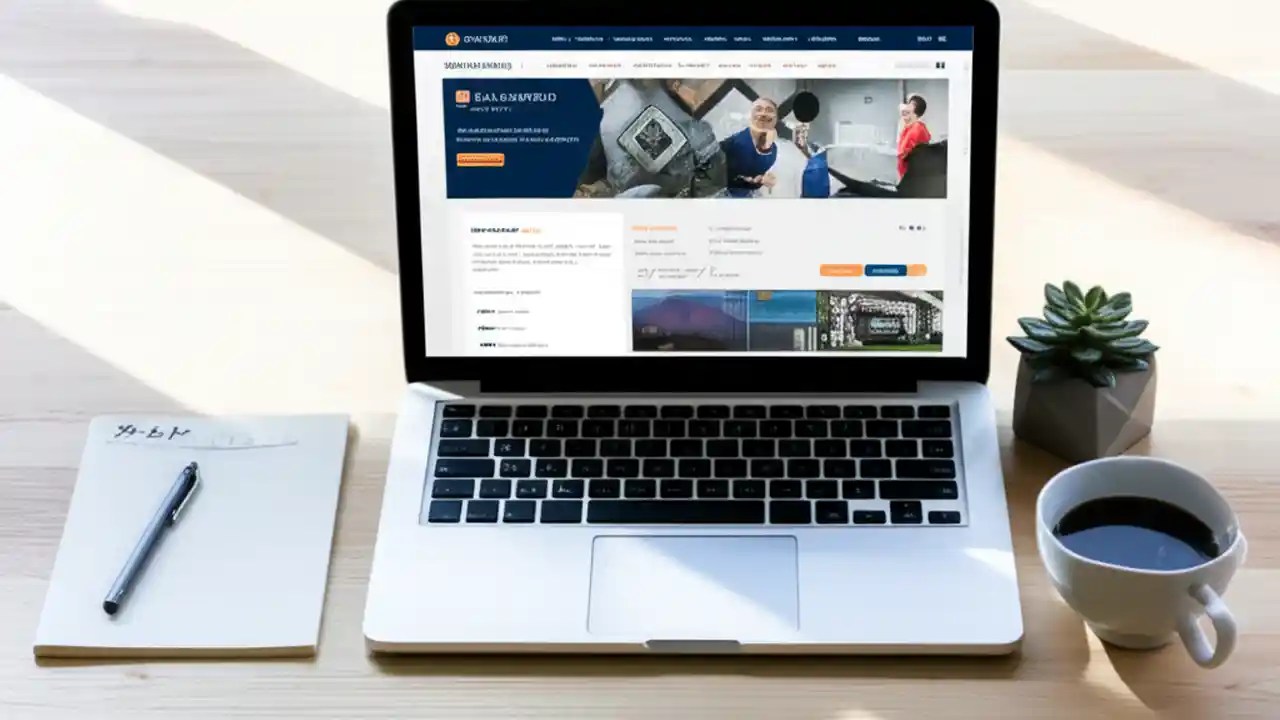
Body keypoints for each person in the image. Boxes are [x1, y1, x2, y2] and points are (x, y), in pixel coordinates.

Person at [720, 97, 780, 197]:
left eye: (769, 110)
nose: (763, 114)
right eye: (758, 109)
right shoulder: (733, 144)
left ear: (776, 119)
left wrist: (761, 179)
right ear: (750, 116)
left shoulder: (773, 149)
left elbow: (758, 173)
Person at [897, 94, 931, 180]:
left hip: (911, 176)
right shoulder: (915, 127)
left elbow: (902, 153)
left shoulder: (916, 128)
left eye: (909, 104)